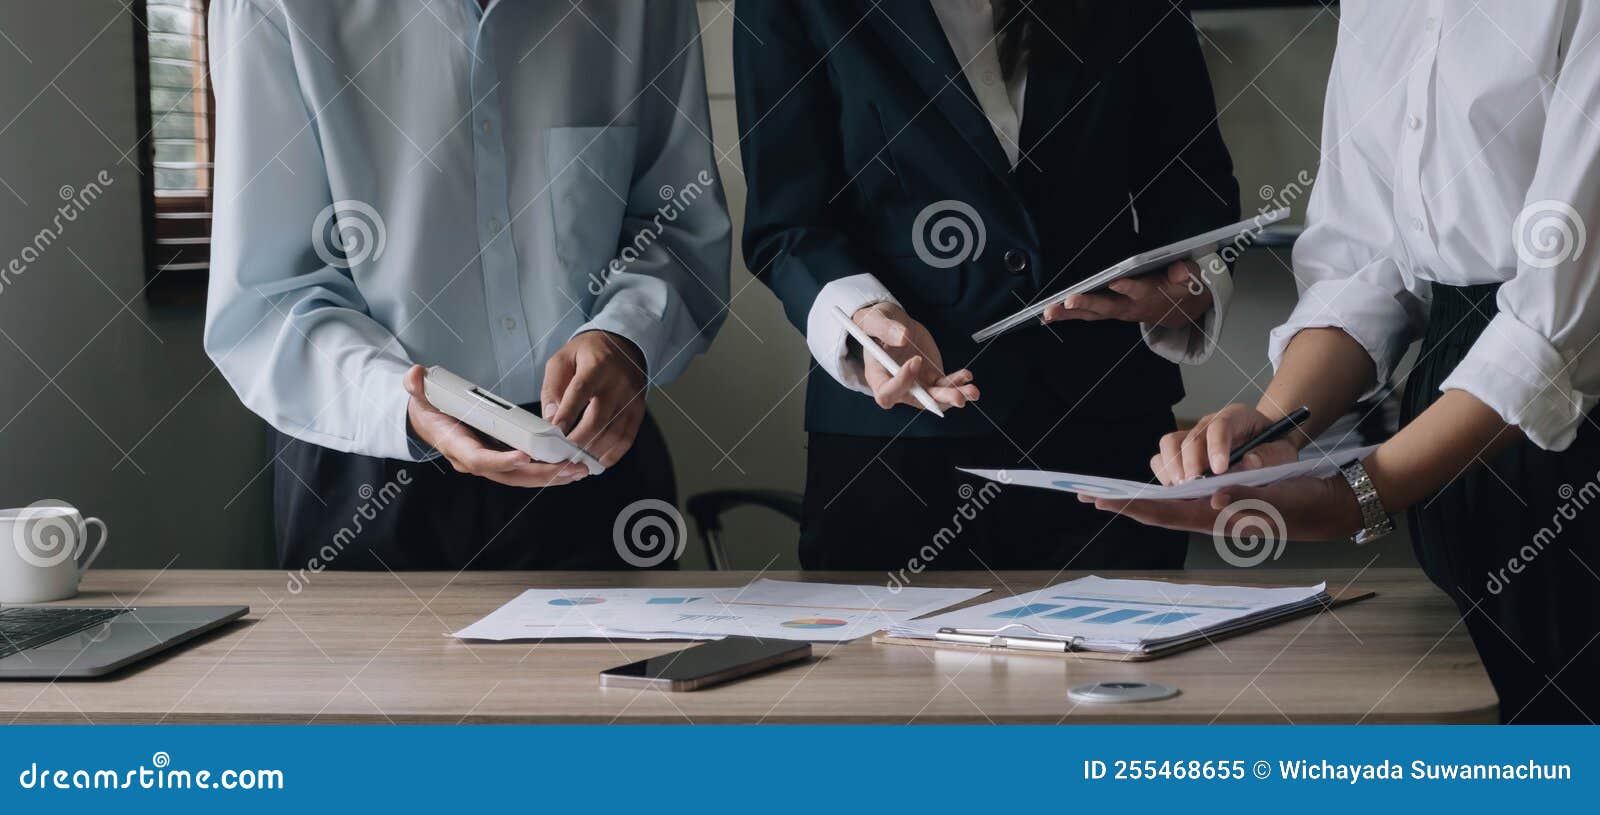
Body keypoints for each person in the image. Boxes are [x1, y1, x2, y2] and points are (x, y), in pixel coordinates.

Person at [1088, 2, 1600, 723]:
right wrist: (1271, 430)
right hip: (1453, 447)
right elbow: (1367, 260)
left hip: (1566, 433)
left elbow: (1557, 329)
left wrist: (1356, 494)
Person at [204, 0, 730, 570]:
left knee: (615, 664)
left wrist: (626, 333)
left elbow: (678, 223)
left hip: (590, 452)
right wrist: (402, 403)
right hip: (366, 460)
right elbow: (267, 295)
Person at [734, 1, 1239, 571]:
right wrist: (865, 317)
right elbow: (786, 224)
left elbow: (1191, 176)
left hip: (1107, 430)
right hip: (897, 445)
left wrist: (1191, 282)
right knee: (881, 662)